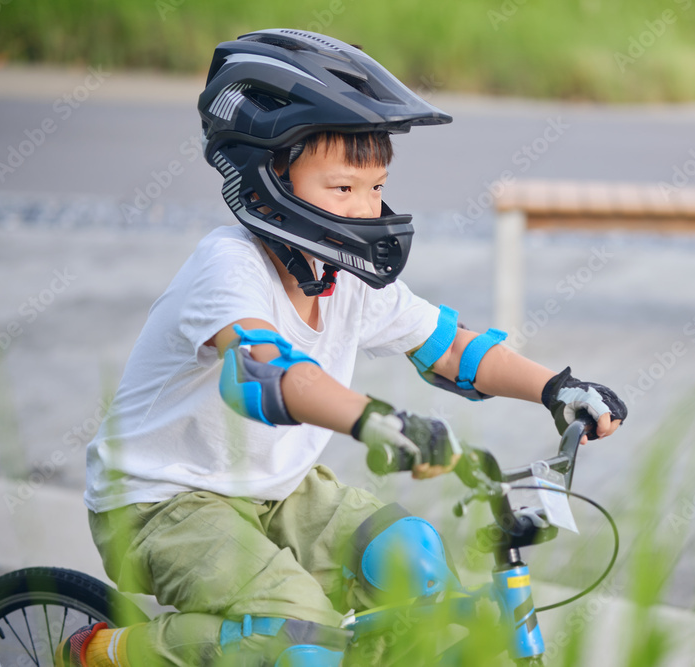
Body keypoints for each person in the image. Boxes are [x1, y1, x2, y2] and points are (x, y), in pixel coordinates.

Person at [58, 29, 626, 667]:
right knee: (297, 635)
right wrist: (372, 419)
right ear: (269, 176)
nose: (368, 209)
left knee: (412, 557)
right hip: (158, 503)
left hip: (279, 490)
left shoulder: (345, 277)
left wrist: (557, 388)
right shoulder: (229, 267)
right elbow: (263, 375)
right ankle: (101, 652)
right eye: (344, 189)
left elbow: (452, 349)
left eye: (377, 186)